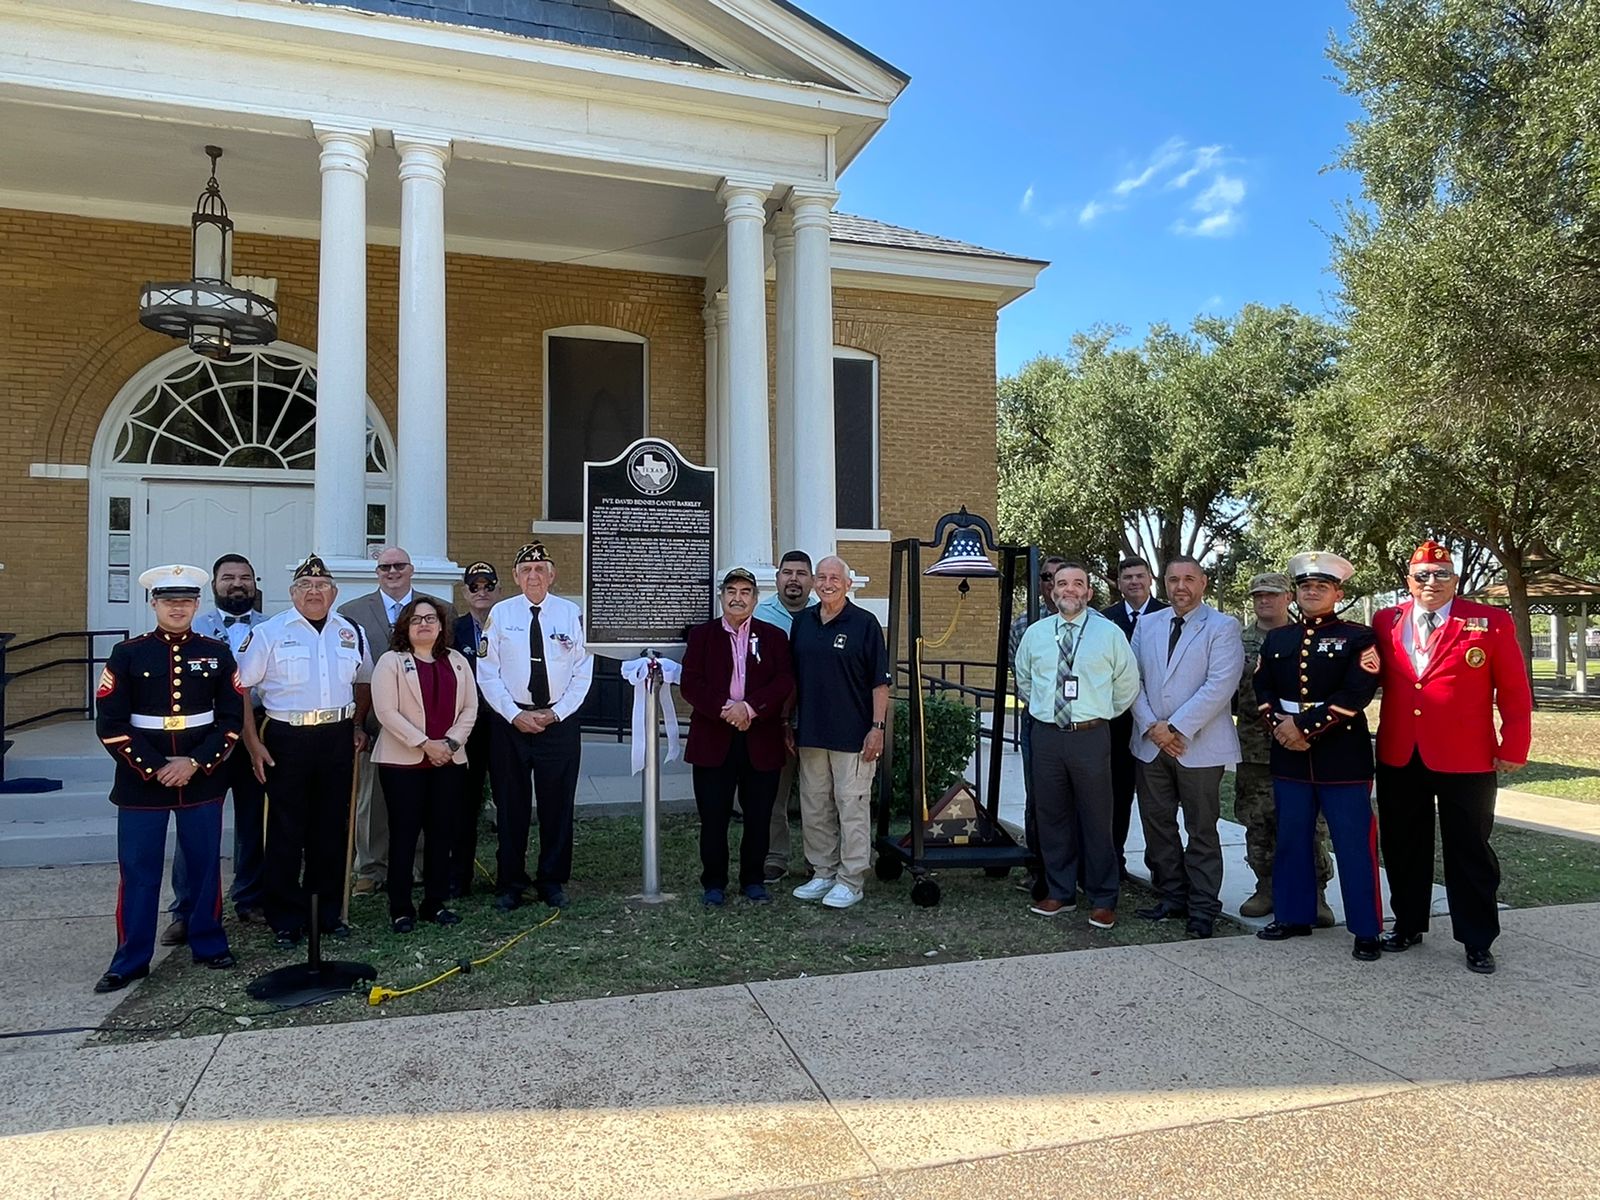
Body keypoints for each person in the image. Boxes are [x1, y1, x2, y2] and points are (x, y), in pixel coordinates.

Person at [1373, 540, 1533, 975]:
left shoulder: (1490, 621)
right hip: (1401, 753)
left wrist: (1514, 745)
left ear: (1454, 579)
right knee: (1404, 844)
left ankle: (1477, 939)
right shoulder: (1386, 620)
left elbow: (1515, 691)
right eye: (1422, 575)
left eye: (1441, 574)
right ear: (1408, 581)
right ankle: (1407, 923)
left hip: (1468, 757)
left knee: (1470, 849)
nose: (1431, 582)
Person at [93, 564, 244, 992]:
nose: (177, 608)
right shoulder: (128, 654)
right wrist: (156, 766)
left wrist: (194, 763)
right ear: (153, 604)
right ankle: (131, 958)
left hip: (201, 776)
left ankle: (209, 943)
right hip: (142, 780)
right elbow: (111, 723)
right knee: (139, 871)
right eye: (168, 601)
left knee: (204, 866)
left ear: (198, 604)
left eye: (185, 601)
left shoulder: (216, 652)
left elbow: (230, 719)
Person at [1254, 552, 1385, 961]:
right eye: (1306, 586)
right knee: (1291, 838)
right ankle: (1294, 915)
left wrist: (1304, 728)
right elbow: (1262, 689)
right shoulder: (1278, 639)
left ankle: (1366, 929)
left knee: (1353, 844)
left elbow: (1355, 694)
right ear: (1295, 593)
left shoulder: (1358, 638)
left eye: (1321, 587)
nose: (1312, 592)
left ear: (1337, 593)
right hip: (1289, 755)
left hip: (1341, 755)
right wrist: (1280, 726)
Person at [237, 554, 373, 946]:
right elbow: (241, 690)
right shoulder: (270, 633)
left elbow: (363, 681)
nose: (314, 592)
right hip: (286, 737)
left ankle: (327, 911)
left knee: (331, 828)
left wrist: (357, 724)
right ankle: (285, 917)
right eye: (306, 586)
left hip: (336, 736)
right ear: (293, 593)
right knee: (284, 830)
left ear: (334, 592)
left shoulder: (351, 631)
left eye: (322, 586)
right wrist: (252, 743)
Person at [1012, 561, 1140, 929]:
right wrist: (1045, 712)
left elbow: (1127, 683)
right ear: (1052, 591)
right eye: (1062, 583)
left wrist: (1099, 713)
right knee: (1051, 816)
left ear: (1089, 591)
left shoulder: (1109, 633)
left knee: (1098, 817)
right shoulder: (1036, 634)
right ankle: (1060, 891)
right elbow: (1024, 678)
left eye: (1078, 584)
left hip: (1090, 736)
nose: (1069, 590)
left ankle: (1103, 896)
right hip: (1047, 735)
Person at [1127, 556, 1244, 939]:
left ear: (1203, 582)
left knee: (1201, 828)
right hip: (1151, 745)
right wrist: (1153, 728)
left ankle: (1203, 906)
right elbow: (1132, 680)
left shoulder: (1223, 627)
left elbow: (1220, 684)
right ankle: (1172, 896)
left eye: (1189, 579)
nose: (1181, 586)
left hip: (1200, 746)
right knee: (1158, 825)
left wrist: (1175, 728)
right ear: (1164, 583)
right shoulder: (1147, 624)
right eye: (1173, 579)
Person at [476, 541, 594, 911]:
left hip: (558, 723)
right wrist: (514, 714)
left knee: (557, 805)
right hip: (511, 724)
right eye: (526, 570)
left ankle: (552, 880)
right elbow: (488, 672)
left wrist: (558, 713)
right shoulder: (501, 614)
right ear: (515, 576)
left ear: (552, 574)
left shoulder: (571, 613)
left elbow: (582, 672)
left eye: (540, 569)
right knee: (511, 806)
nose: (533, 576)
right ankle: (510, 882)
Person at [158, 553, 267, 943]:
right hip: (204, 741)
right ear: (214, 585)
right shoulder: (192, 628)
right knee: (196, 827)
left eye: (245, 578)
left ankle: (250, 897)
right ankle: (186, 909)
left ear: (255, 584)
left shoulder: (272, 628)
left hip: (257, 734)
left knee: (255, 822)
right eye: (228, 578)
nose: (237, 584)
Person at [681, 567, 796, 906]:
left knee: (759, 816)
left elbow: (784, 681)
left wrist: (750, 708)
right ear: (721, 597)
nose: (737, 597)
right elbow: (691, 683)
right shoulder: (702, 636)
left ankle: (753, 880)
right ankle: (714, 883)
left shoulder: (773, 637)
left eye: (745, 592)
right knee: (714, 817)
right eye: (731, 591)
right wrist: (725, 709)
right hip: (713, 739)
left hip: (759, 739)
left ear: (755, 599)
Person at [787, 555, 890, 910]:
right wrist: (788, 722)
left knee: (852, 805)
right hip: (812, 733)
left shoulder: (864, 623)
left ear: (848, 584)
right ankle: (823, 872)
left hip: (854, 735)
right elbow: (794, 680)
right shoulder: (802, 623)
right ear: (815, 583)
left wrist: (877, 729)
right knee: (814, 805)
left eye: (835, 577)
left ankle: (851, 879)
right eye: (822, 577)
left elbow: (880, 684)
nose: (828, 582)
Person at [370, 596, 479, 933]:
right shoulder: (391, 662)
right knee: (403, 836)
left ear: (442, 625)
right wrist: (424, 744)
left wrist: (449, 744)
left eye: (431, 618)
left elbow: (469, 709)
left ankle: (435, 903)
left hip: (449, 760)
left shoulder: (458, 661)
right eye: (416, 619)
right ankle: (400, 908)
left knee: (441, 834)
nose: (424, 624)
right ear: (405, 625)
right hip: (403, 763)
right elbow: (386, 712)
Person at [338, 546, 442, 898]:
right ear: (377, 572)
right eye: (385, 567)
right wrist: (356, 721)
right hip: (374, 726)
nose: (392, 572)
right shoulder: (350, 613)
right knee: (372, 801)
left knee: (422, 800)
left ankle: (417, 864)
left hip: (426, 728)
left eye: (399, 566)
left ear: (412, 569)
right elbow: (349, 674)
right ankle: (369, 868)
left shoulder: (437, 609)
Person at [1235, 572, 1335, 925]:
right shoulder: (1237, 640)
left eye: (1272, 595)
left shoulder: (1307, 636)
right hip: (1256, 749)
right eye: (1258, 595)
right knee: (1258, 821)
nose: (1265, 601)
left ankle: (1316, 893)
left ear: (1288, 598)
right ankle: (1266, 888)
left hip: (1304, 745)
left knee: (1310, 824)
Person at [1102, 556, 1169, 878]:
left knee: (1159, 804)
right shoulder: (1105, 619)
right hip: (1117, 726)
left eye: (1140, 576)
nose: (1134, 582)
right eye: (1127, 577)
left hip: (1158, 724)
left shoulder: (1169, 615)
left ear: (1150, 579)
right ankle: (1114, 863)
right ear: (1118, 582)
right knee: (1116, 797)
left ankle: (1163, 871)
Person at [752, 549, 816, 884]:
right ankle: (775, 857)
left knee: (817, 793)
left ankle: (817, 859)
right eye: (787, 572)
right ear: (777, 578)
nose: (794, 579)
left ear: (812, 580)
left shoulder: (825, 614)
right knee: (774, 792)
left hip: (818, 719)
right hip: (775, 720)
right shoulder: (760, 618)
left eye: (801, 573)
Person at [1008, 555, 1065, 897]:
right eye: (1046, 576)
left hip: (1081, 725)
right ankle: (1038, 867)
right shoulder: (1022, 625)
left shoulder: (1095, 624)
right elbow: (1022, 680)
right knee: (1039, 797)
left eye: (1061, 576)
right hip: (1038, 721)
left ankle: (1075, 869)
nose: (1053, 583)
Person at [450, 560, 501, 897]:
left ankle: (509, 875)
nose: (481, 592)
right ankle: (459, 876)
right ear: (465, 592)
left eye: (488, 586)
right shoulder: (453, 630)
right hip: (468, 726)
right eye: (474, 586)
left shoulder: (511, 624)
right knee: (463, 803)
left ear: (498, 589)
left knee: (509, 801)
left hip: (504, 723)